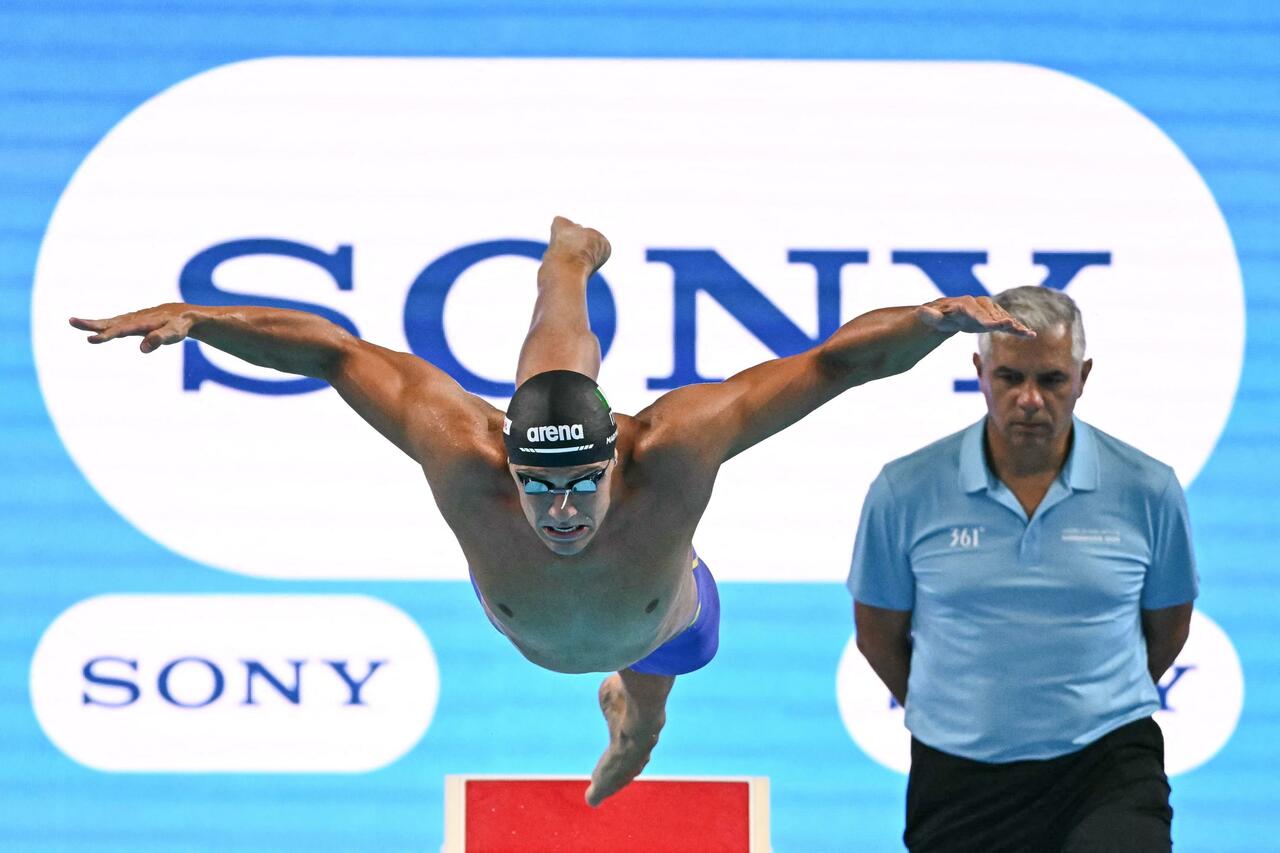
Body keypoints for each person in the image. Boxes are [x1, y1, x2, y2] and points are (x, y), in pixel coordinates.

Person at [71, 216, 1030, 806]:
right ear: (507, 461)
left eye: (581, 482)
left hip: (665, 619)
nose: (559, 510)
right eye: (538, 483)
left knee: (641, 724)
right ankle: (565, 258)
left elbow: (831, 362)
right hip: (553, 568)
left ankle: (625, 715)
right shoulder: (469, 452)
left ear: (622, 451)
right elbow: (332, 352)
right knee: (549, 366)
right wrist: (201, 318)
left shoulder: (677, 444)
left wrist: (930, 322)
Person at [850, 286, 1197, 851]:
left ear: (1083, 377)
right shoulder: (905, 489)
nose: (1030, 399)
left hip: (1108, 764)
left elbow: (1168, 627)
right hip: (958, 772)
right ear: (979, 372)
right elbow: (877, 635)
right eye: (1010, 377)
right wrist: (957, 711)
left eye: (1052, 380)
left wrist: (1093, 705)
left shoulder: (1148, 488)